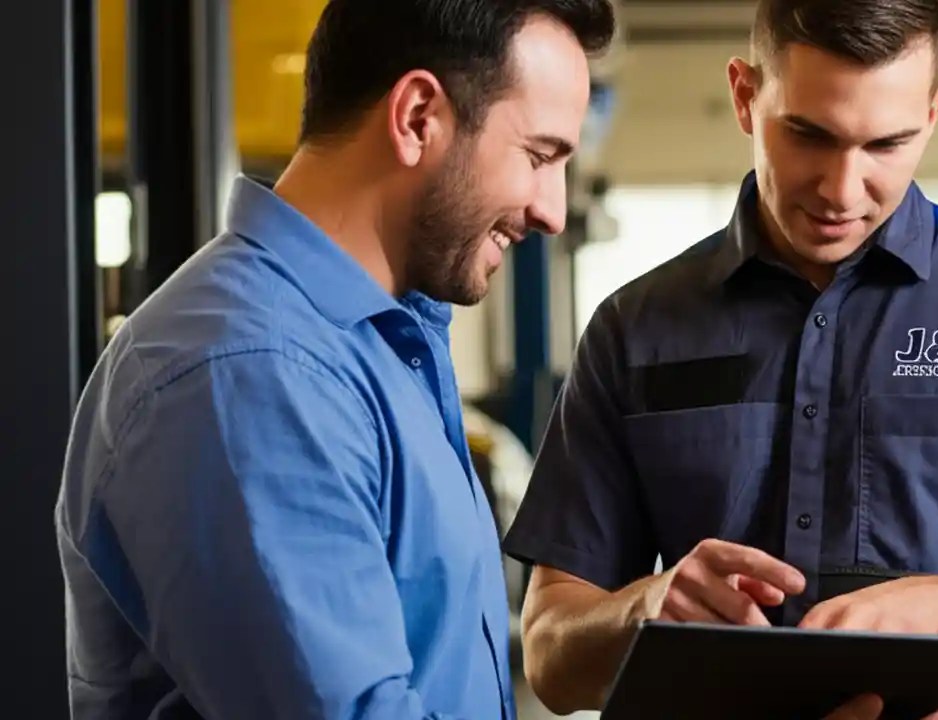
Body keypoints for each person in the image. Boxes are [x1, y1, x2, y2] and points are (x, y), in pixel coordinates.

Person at [503, 0, 938, 718]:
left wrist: (934, 610)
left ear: (934, 111)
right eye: (809, 136)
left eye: (886, 144)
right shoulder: (633, 330)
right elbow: (549, 653)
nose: (841, 191)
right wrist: (649, 607)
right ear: (745, 95)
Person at [54, 1, 614, 717]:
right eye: (539, 157)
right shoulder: (249, 374)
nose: (553, 211)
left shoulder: (383, 345)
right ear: (416, 117)